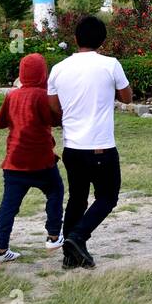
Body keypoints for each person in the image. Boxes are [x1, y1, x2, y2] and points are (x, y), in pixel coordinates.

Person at [48, 16, 131, 270]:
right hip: (101, 145)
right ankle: (77, 236)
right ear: (103, 41)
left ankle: (70, 256)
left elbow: (53, 105)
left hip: (72, 146)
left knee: (77, 198)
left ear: (76, 39)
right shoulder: (110, 64)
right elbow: (127, 97)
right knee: (107, 196)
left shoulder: (59, 68)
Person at [0, 53, 65, 262]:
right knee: (55, 191)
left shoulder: (12, 96)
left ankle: (0, 249)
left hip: (14, 161)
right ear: (43, 73)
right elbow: (57, 119)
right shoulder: (43, 95)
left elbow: (0, 122)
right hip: (41, 160)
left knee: (9, 205)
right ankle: (53, 235)